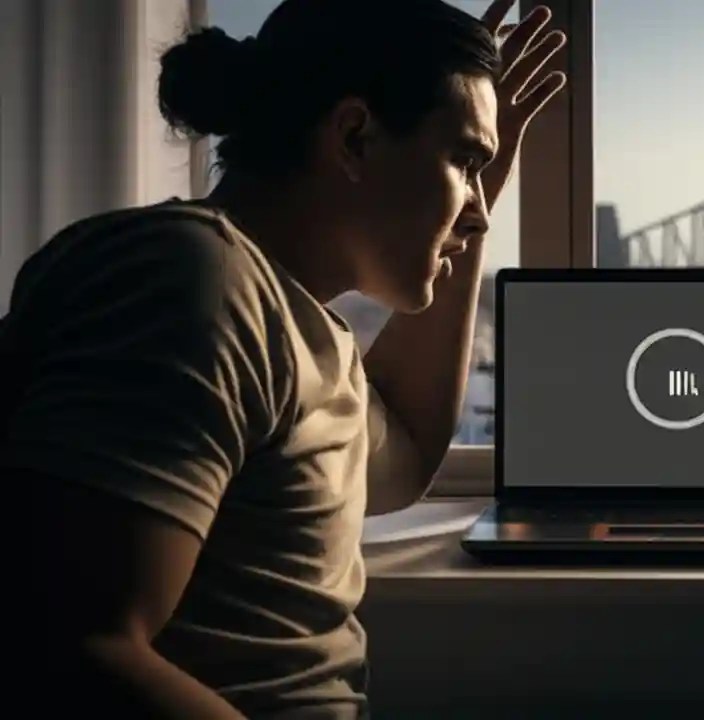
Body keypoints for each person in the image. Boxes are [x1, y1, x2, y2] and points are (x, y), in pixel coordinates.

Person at [6, 0, 565, 717]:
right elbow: (68, 648)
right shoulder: (190, 281)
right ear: (356, 137)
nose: (482, 209)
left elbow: (409, 454)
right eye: (462, 161)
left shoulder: (304, 329)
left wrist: (474, 178)